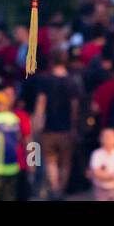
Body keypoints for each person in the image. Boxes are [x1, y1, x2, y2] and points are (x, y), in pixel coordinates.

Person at [32, 49, 82, 200]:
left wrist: (36, 125)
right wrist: (74, 126)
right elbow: (75, 107)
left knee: (50, 160)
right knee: (65, 161)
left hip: (49, 127)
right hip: (66, 128)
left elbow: (40, 105)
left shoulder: (45, 81)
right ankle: (61, 190)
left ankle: (54, 188)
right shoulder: (73, 81)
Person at [87, 128, 114, 200]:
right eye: (105, 137)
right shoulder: (96, 154)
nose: (108, 139)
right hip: (100, 188)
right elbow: (96, 173)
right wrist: (112, 176)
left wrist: (104, 175)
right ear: (100, 139)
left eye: (111, 137)